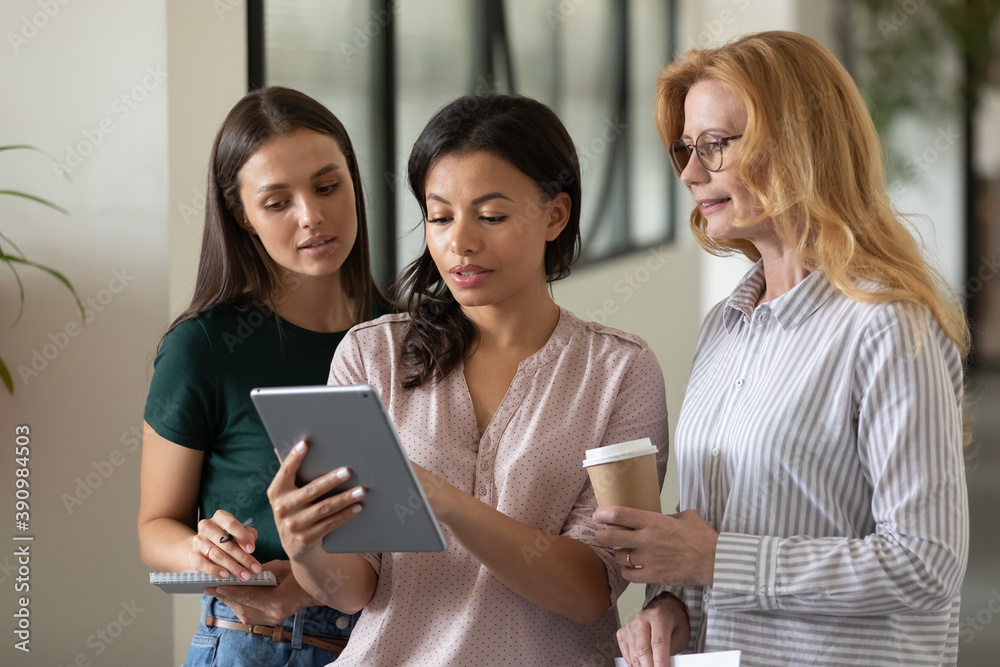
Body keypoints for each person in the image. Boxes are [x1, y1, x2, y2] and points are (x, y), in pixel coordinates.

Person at [594, 31, 970, 667]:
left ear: (799, 144)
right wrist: (672, 605)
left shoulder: (886, 327)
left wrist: (718, 560)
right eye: (686, 149)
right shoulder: (724, 328)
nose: (690, 173)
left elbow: (926, 562)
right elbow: (706, 538)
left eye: (715, 145)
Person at [265, 93, 670, 666]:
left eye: (492, 216)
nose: (460, 243)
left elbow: (590, 590)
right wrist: (304, 544)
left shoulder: (620, 371)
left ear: (555, 215)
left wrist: (440, 500)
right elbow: (353, 590)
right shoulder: (372, 355)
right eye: (440, 217)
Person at [138, 86, 390, 666]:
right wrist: (207, 553)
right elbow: (156, 527)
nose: (312, 216)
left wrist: (316, 582)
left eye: (327, 187)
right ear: (242, 216)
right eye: (277, 202)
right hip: (257, 642)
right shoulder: (203, 348)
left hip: (400, 638)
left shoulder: (411, 338)